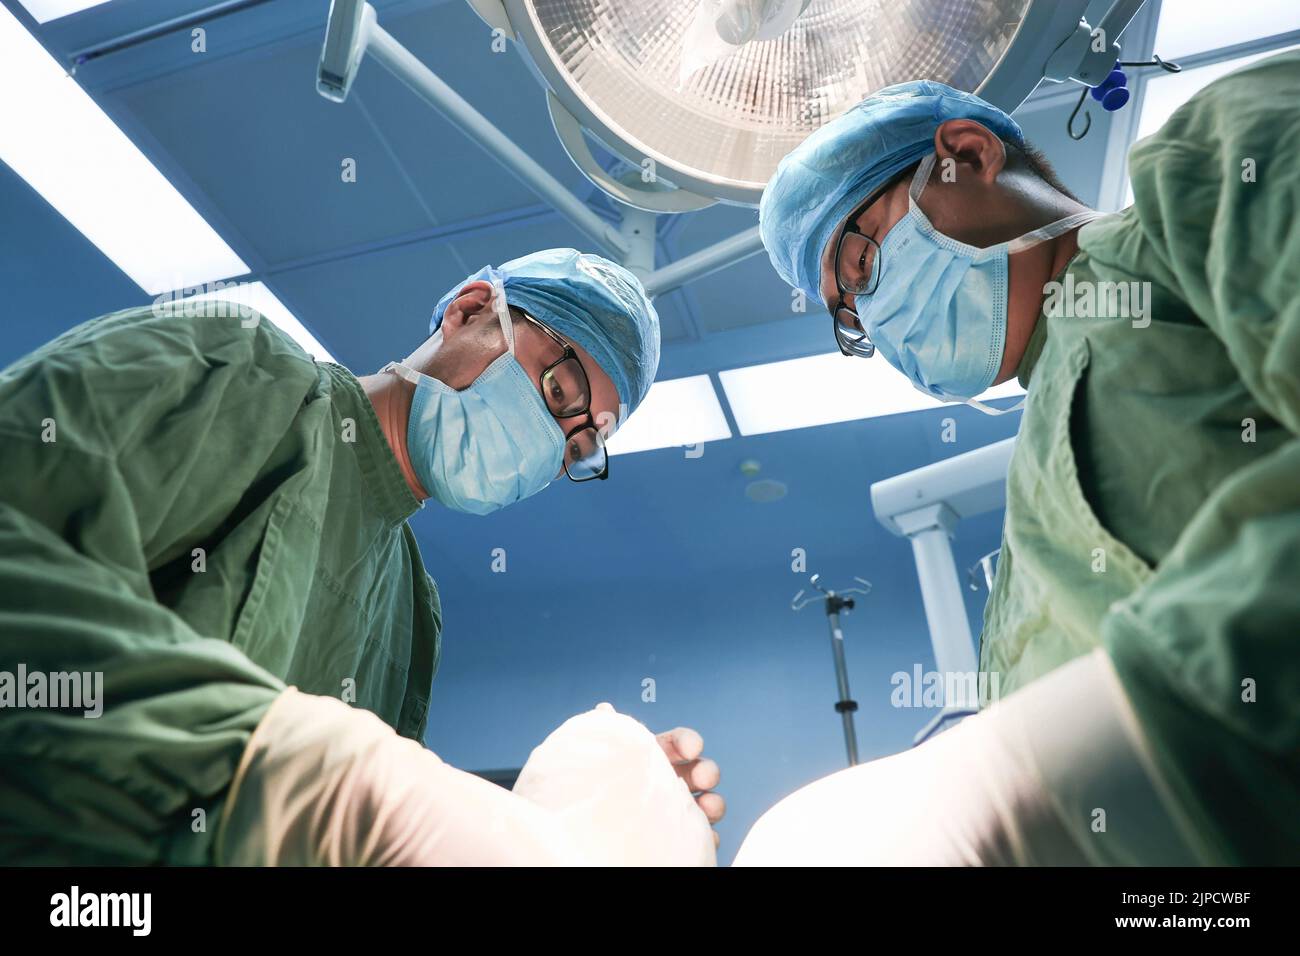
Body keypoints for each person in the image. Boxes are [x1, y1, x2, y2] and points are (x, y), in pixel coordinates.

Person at [742, 50, 1300, 864]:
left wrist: (1045, 777)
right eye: (850, 317)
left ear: (967, 156)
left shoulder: (1209, 173)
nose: (872, 318)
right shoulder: (1023, 560)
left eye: (860, 264)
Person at [0, 247, 724, 865]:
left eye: (578, 443)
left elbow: (358, 830)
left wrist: (576, 811)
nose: (552, 439)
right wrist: (280, 768)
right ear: (471, 310)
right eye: (559, 388)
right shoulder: (243, 373)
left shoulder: (412, 609)